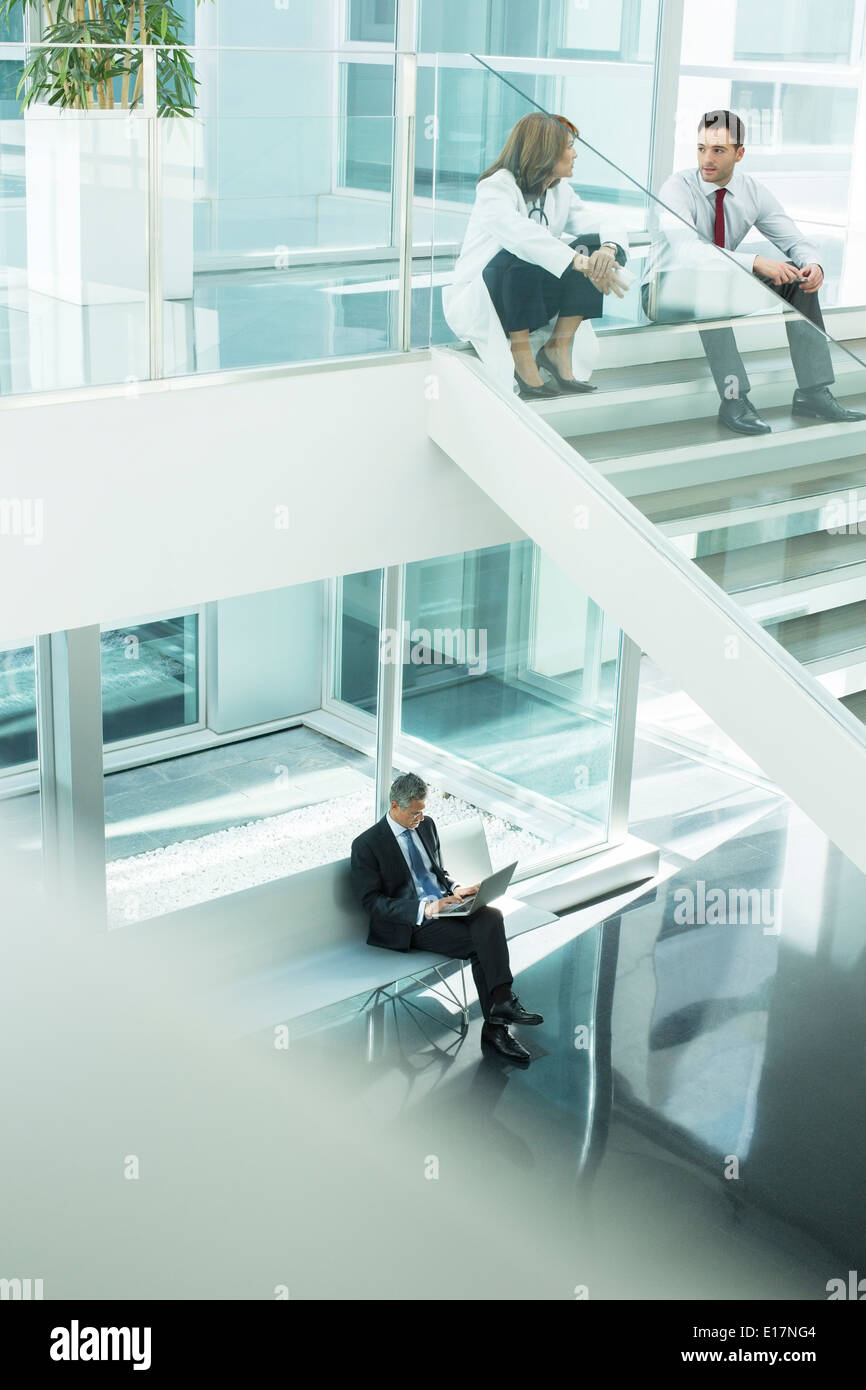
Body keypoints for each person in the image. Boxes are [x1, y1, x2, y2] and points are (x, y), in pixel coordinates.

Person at [645, 108, 866, 435]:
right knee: (712, 285)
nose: (707, 158)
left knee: (795, 277)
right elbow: (689, 253)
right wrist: (754, 261)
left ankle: (813, 392)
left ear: (740, 153)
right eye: (701, 148)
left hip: (724, 280)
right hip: (664, 289)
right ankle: (734, 399)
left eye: (718, 150)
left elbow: (794, 238)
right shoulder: (677, 188)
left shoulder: (751, 191)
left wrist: (813, 264)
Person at [350, 772, 543, 1063]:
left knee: (490, 916)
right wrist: (425, 909)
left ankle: (501, 1003)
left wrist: (456, 889)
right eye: (414, 813)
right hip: (412, 923)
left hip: (444, 906)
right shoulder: (367, 845)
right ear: (394, 806)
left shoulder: (426, 825)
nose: (419, 819)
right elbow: (372, 903)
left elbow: (437, 871)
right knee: (483, 944)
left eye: (422, 812)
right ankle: (497, 1025)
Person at [442, 112, 630, 400]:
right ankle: (520, 354)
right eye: (569, 146)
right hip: (492, 297)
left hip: (530, 297)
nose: (575, 154)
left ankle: (557, 346)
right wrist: (580, 263)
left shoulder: (559, 191)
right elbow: (519, 234)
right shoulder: (496, 186)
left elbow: (600, 223)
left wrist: (607, 250)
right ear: (545, 152)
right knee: (521, 255)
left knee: (594, 245)